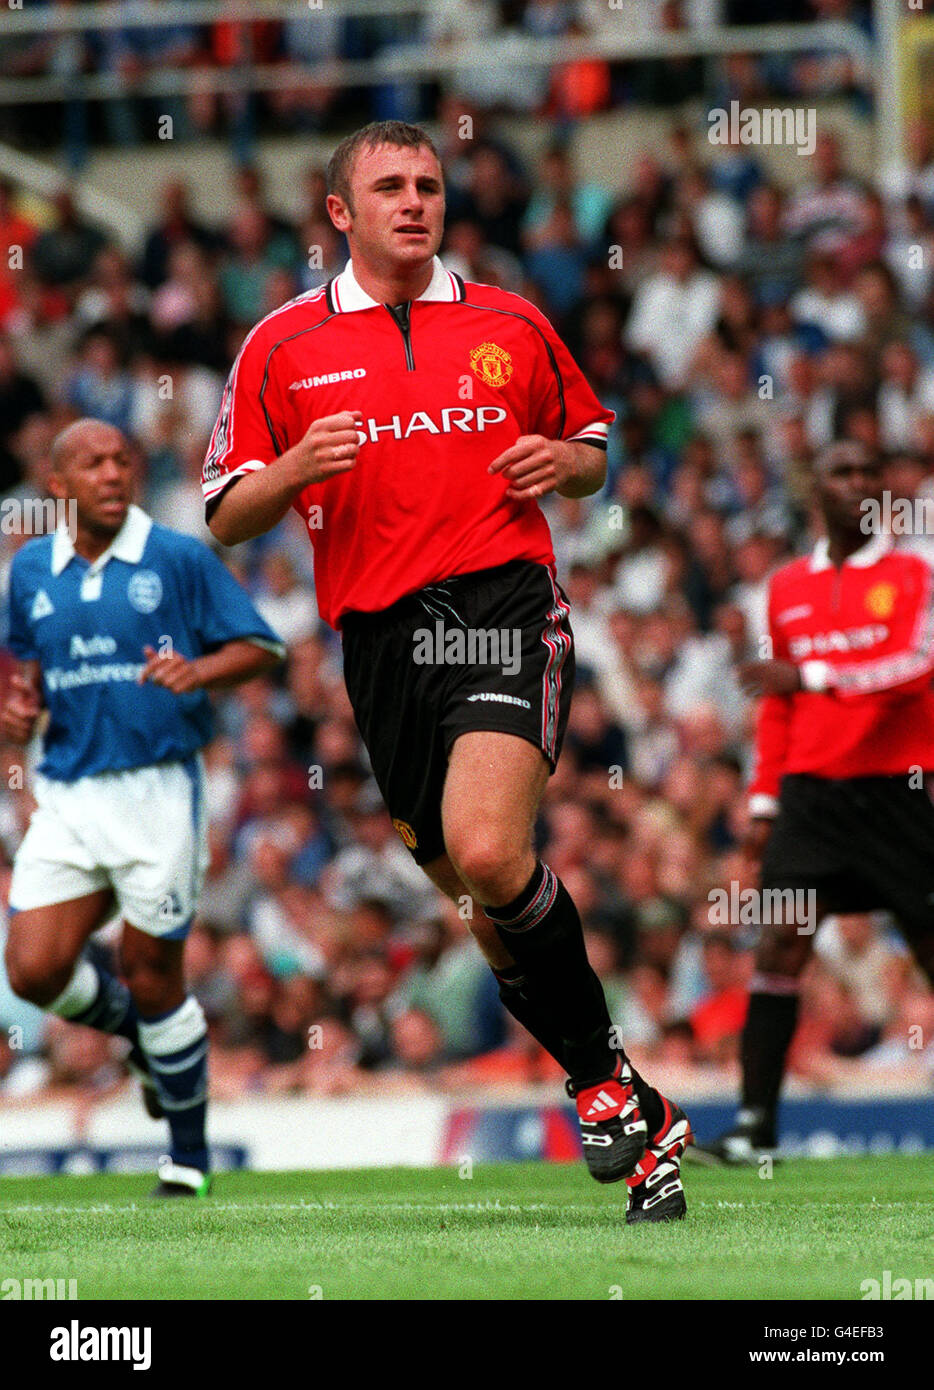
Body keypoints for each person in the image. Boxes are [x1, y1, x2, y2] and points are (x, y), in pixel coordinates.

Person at [202, 119, 690, 1223]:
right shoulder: (280, 347)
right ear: (341, 212)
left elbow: (594, 449)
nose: (414, 201)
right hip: (380, 646)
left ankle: (606, 1088)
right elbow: (226, 513)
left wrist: (565, 462)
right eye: (389, 187)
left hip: (501, 607)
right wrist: (290, 469)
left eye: (427, 183)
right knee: (483, 908)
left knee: (486, 846)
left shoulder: (509, 320)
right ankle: (627, 1096)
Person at [2, 418, 284, 1196]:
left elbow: (263, 648)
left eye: (122, 459)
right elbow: (22, 668)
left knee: (151, 971)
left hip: (158, 789)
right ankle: (144, 1041)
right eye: (93, 463)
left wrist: (201, 671)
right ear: (57, 486)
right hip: (67, 792)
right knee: (30, 969)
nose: (113, 472)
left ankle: (188, 1160)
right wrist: (16, 710)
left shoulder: (177, 555)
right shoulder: (31, 570)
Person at [697, 440, 934, 1163]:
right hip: (808, 803)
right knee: (778, 947)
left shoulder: (913, 573)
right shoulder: (787, 585)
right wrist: (764, 803)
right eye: (843, 471)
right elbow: (777, 707)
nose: (859, 483)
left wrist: (816, 673)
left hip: (898, 794)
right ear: (817, 491)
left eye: (869, 472)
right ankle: (753, 1130)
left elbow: (917, 667)